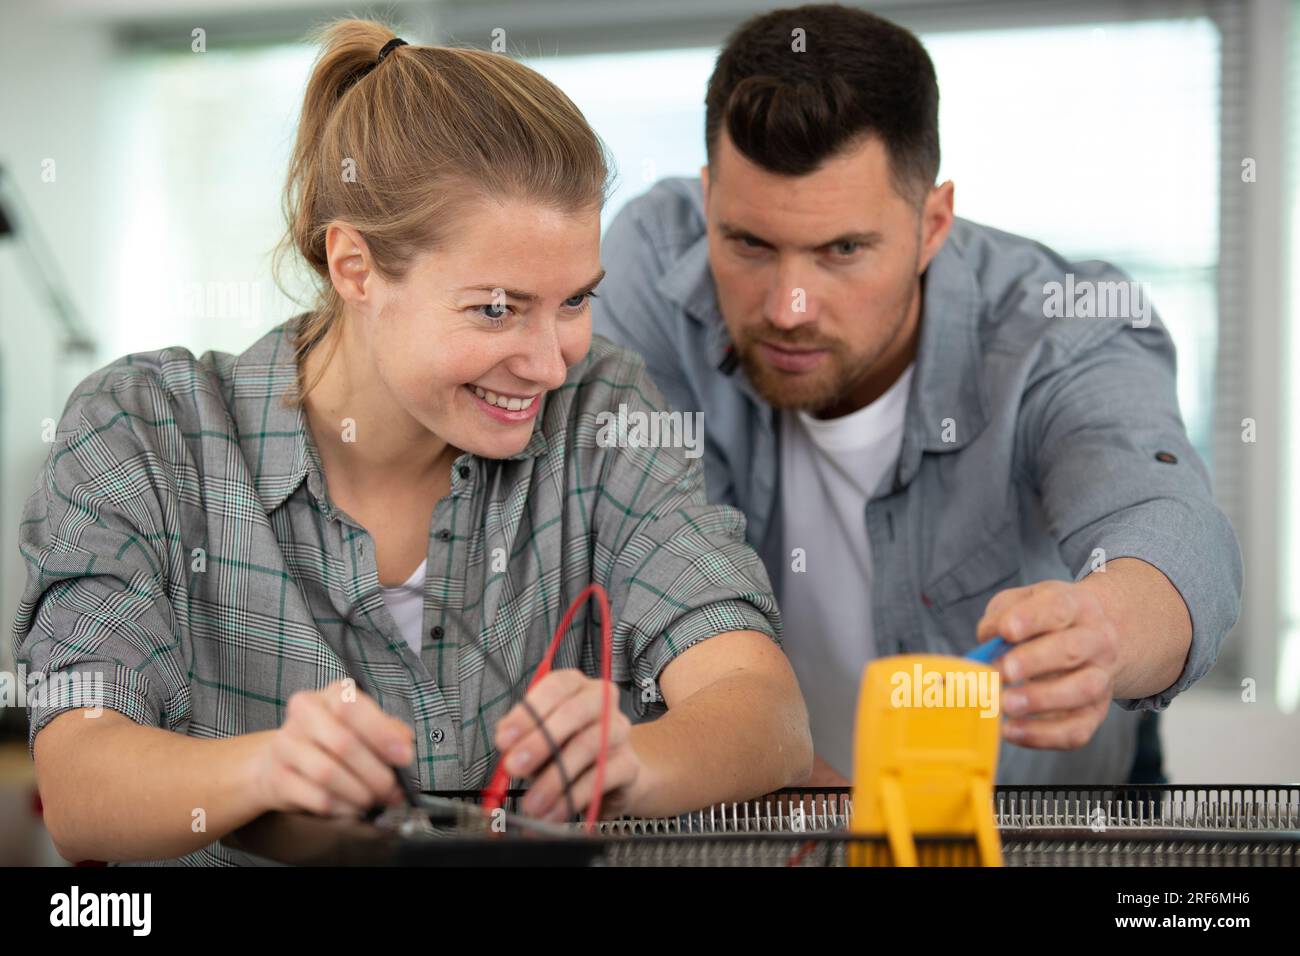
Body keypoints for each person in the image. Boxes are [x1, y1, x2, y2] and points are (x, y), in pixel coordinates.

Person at [13, 20, 811, 865]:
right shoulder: (144, 430)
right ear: (354, 267)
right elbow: (80, 782)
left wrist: (637, 756)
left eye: (575, 301)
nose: (549, 363)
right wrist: (267, 767)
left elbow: (763, 708)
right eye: (497, 309)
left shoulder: (600, 408)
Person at [593, 3, 1242, 785]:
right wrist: (823, 820)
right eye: (750, 244)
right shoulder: (652, 266)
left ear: (933, 222)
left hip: (1034, 820)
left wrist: (1103, 629)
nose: (787, 309)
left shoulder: (1060, 326)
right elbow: (660, 566)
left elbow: (1169, 524)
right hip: (760, 809)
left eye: (843, 250)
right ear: (708, 203)